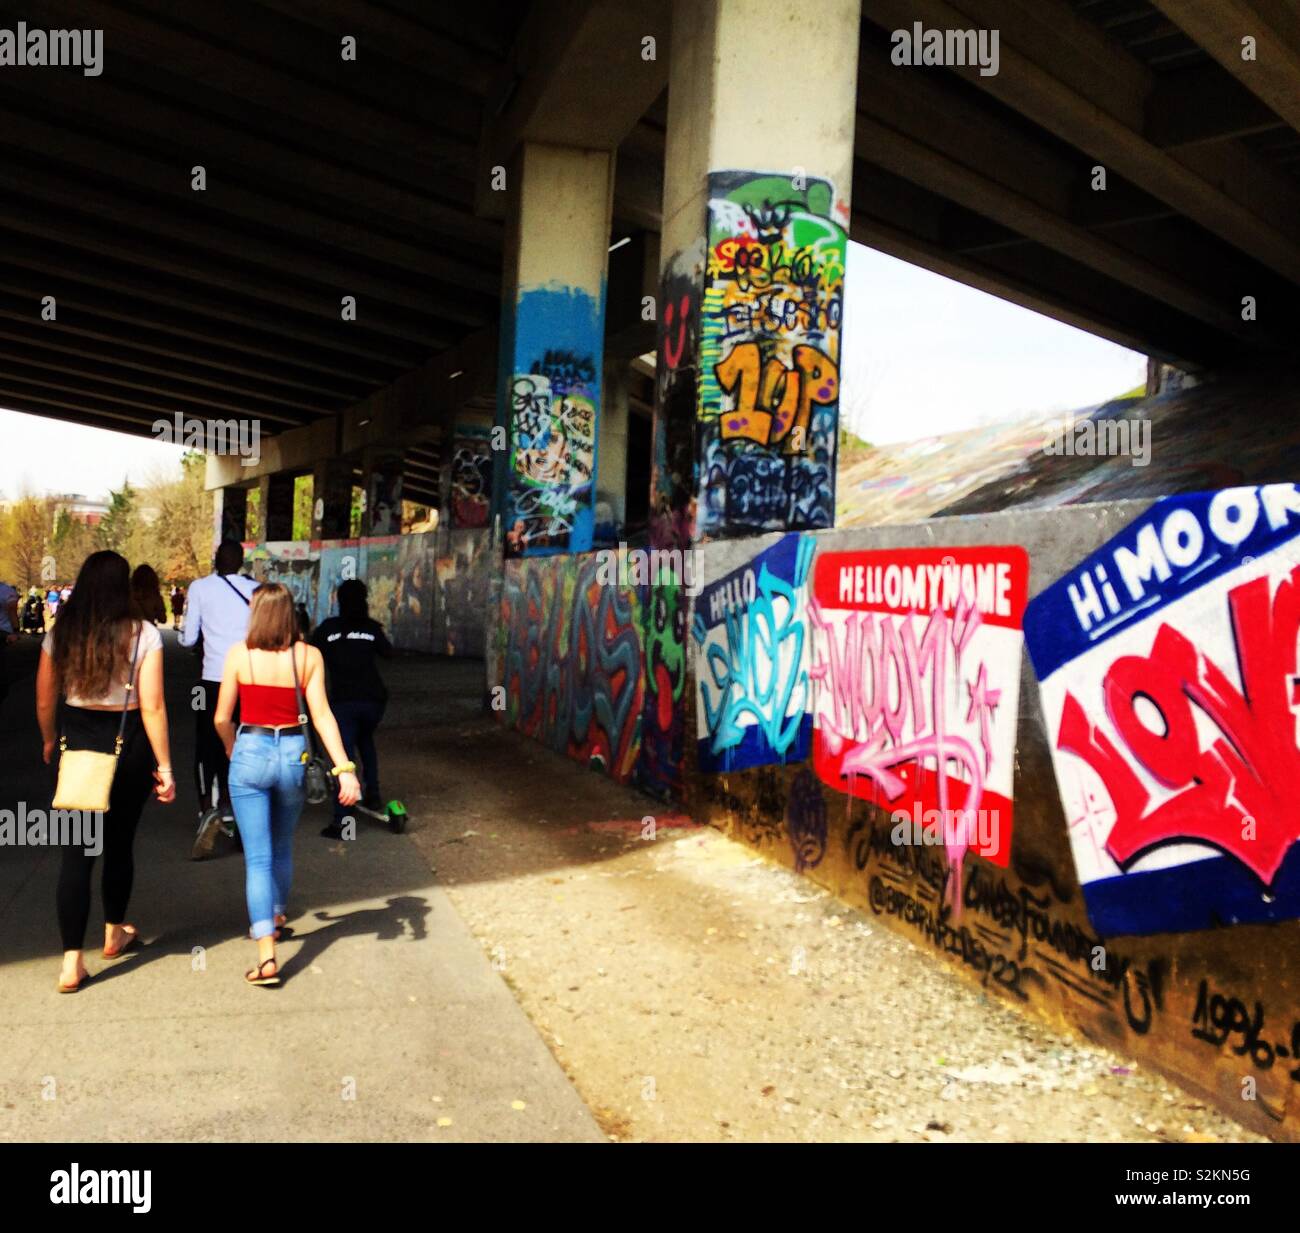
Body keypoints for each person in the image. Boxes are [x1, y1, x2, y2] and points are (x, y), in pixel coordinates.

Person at [35, 551, 175, 993]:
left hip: (77, 747)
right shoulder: (144, 635)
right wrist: (166, 766)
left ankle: (71, 963)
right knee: (119, 845)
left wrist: (46, 738)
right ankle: (114, 932)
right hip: (128, 745)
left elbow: (44, 699)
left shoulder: (62, 634)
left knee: (75, 857)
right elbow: (152, 706)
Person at [213, 583, 360, 986]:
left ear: (257, 613)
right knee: (282, 845)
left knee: (257, 859)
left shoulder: (239, 655)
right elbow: (323, 716)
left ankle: (266, 954)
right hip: (294, 754)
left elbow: (221, 718)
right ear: (291, 613)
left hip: (251, 749)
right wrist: (343, 767)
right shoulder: (309, 656)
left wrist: (233, 750)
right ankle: (277, 913)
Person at [180, 541, 256, 831]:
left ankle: (204, 811)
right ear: (241, 561)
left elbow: (188, 639)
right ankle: (230, 802)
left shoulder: (199, 587)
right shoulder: (255, 588)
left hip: (210, 681)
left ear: (215, 559)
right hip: (248, 681)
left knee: (206, 743)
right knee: (240, 741)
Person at [311, 579, 392, 838]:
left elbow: (310, 653)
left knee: (343, 755)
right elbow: (389, 654)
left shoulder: (328, 629)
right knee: (365, 740)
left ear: (339, 600)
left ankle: (342, 819)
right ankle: (374, 794)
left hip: (344, 702)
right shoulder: (371, 628)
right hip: (373, 701)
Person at [0, 577, 18, 709]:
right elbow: (12, 610)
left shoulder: (6, 590)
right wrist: (15, 630)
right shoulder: (6, 591)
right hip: (3, 631)